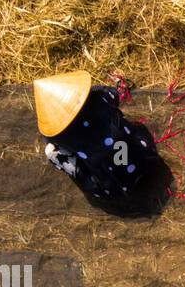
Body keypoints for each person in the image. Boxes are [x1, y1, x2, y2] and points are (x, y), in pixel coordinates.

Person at [32, 70, 171, 217]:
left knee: (51, 151)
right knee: (119, 133)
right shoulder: (100, 96)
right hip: (144, 158)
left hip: (115, 187)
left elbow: (49, 138)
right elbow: (114, 95)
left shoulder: (59, 136)